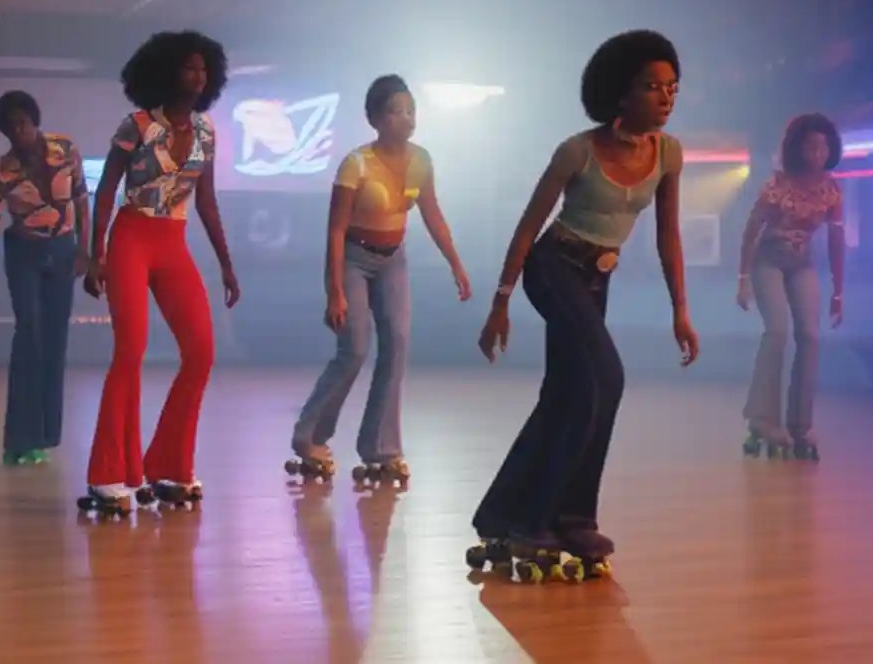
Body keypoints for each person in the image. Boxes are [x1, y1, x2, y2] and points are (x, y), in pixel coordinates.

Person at [468, 30, 699, 578]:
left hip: (598, 279)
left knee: (567, 392)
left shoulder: (668, 153)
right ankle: (545, 515)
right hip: (553, 268)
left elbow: (669, 236)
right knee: (606, 378)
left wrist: (680, 311)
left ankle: (516, 512)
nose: (666, 97)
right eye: (651, 87)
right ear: (620, 93)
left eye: (672, 87)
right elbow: (529, 227)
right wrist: (499, 302)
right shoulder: (578, 150)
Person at [80, 30, 240, 516]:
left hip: (174, 242)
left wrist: (226, 264)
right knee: (130, 349)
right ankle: (109, 474)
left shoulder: (207, 132)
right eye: (189, 67)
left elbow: (206, 201)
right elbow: (105, 189)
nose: (197, 76)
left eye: (204, 69)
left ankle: (169, 465)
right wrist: (96, 254)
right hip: (131, 236)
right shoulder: (138, 125)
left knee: (202, 351)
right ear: (168, 71)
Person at [285, 74, 470, 486]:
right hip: (353, 258)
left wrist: (455, 262)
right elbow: (334, 231)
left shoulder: (421, 159)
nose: (406, 119)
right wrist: (334, 290)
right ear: (375, 118)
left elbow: (433, 214)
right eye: (396, 111)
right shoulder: (356, 164)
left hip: (393, 260)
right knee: (353, 349)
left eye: (411, 111)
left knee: (397, 345)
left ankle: (381, 447)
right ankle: (310, 436)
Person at [0, 90, 91, 466]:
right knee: (29, 333)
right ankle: (19, 438)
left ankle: (46, 435)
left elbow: (82, 200)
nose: (19, 131)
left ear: (35, 121)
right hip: (24, 255)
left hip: (64, 251)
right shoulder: (1, 172)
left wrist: (87, 250)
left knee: (55, 340)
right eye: (10, 126)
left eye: (23, 122)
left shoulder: (65, 150)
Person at [737, 114, 844, 462]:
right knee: (778, 331)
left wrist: (838, 292)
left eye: (823, 146)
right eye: (811, 146)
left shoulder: (831, 189)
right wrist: (742, 279)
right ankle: (763, 420)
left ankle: (801, 423)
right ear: (797, 150)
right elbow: (752, 229)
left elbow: (837, 240)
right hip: (767, 262)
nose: (818, 153)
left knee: (810, 336)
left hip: (802, 266)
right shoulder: (777, 185)